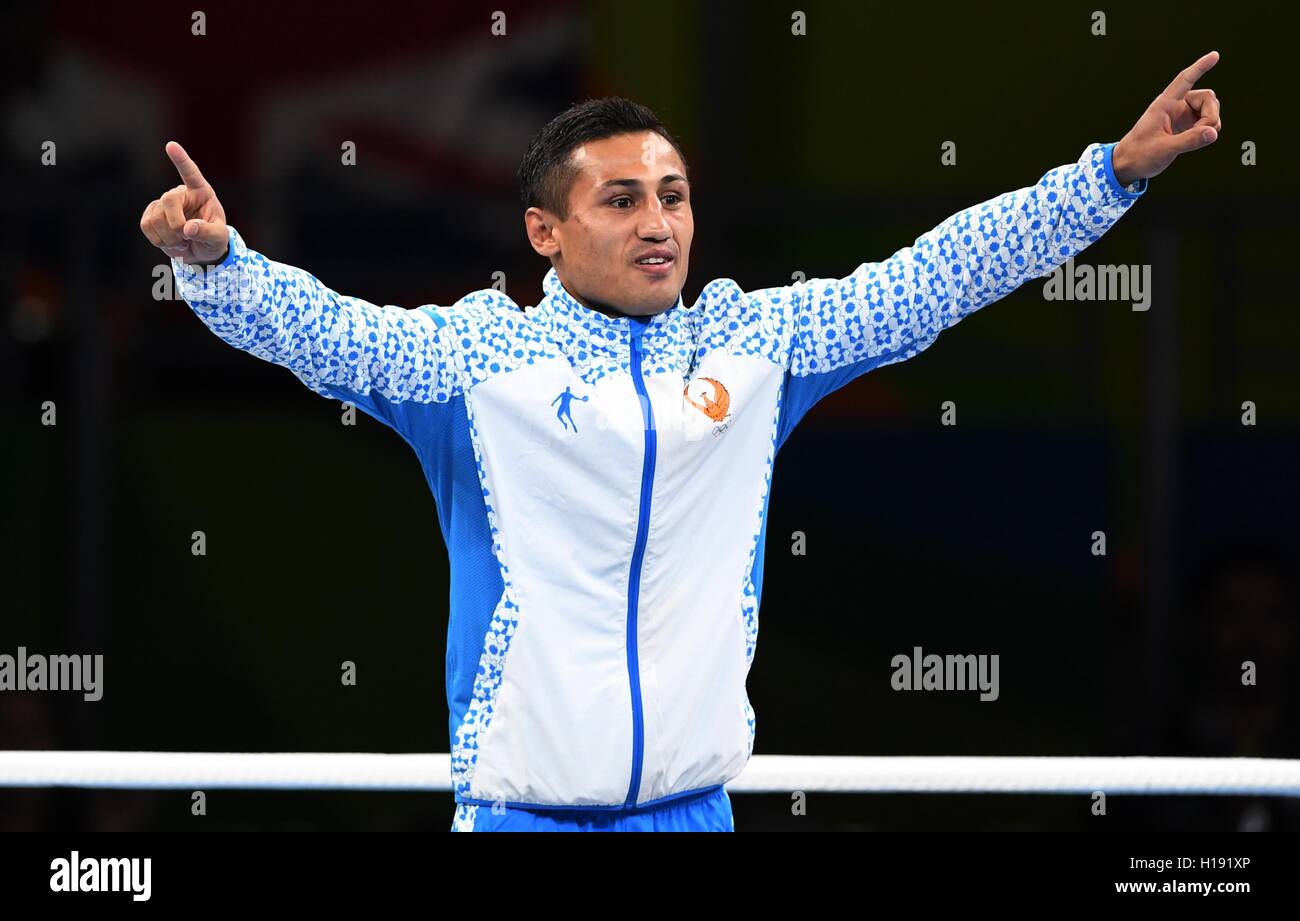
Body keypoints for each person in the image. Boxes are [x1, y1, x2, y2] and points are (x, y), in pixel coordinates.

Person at [139, 53, 1223, 832]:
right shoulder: (475, 365)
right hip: (520, 814)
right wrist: (218, 265)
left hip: (697, 814)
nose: (658, 222)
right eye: (620, 200)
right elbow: (329, 334)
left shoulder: (761, 343)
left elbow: (934, 275)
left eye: (672, 195)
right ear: (544, 232)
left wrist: (1107, 177)